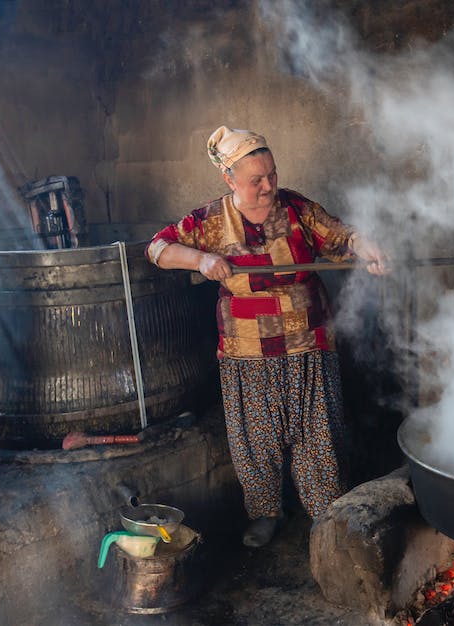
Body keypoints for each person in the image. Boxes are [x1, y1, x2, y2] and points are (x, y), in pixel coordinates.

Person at [146, 126, 388, 547]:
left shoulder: (296, 208)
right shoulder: (209, 221)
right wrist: (201, 259)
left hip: (308, 341)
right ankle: (265, 513)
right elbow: (158, 249)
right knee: (254, 441)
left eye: (272, 174)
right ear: (229, 179)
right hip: (246, 351)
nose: (268, 185)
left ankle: (326, 516)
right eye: (256, 179)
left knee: (320, 437)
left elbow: (340, 237)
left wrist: (363, 244)